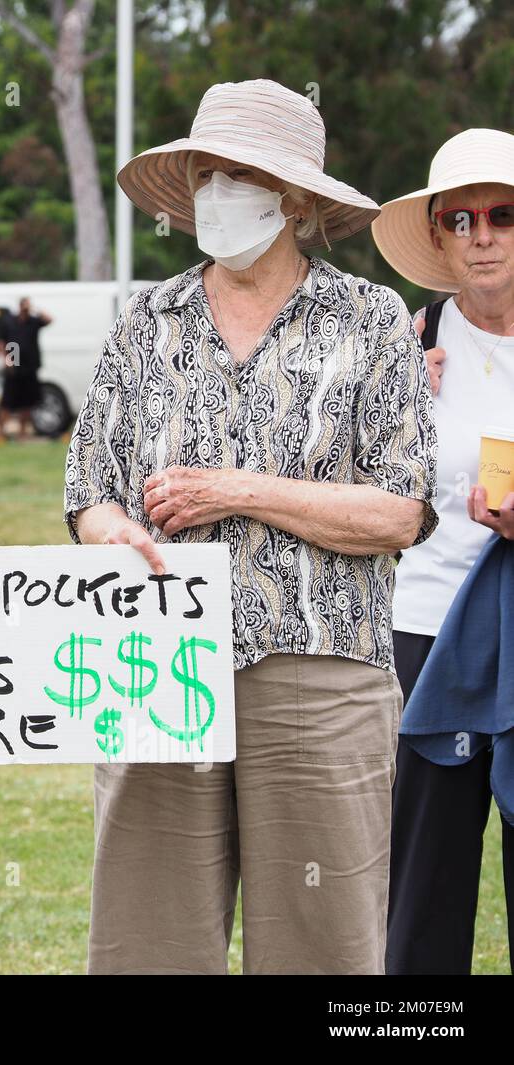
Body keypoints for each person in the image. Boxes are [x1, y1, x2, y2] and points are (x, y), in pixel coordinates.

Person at [65, 79, 438, 974]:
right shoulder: (145, 323)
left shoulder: (372, 321)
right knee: (145, 943)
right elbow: (89, 486)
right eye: (206, 173)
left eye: (241, 174)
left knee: (323, 948)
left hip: (320, 674)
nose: (217, 194)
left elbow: (399, 510)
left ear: (299, 200)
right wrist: (111, 533)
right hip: (157, 669)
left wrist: (241, 490)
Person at [371, 127, 514, 974]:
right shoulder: (403, 343)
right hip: (423, 634)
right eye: (458, 218)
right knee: (422, 891)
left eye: (502, 214)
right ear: (436, 237)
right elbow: (340, 487)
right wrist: (396, 416)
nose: (482, 234)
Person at [0, 297, 51, 441]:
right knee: (7, 402)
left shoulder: (34, 321)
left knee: (27, 403)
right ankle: (0, 433)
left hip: (30, 367)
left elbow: (49, 319)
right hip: (14, 367)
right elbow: (1, 342)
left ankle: (22, 433)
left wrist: (34, 309)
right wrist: (7, 360)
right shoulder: (9, 322)